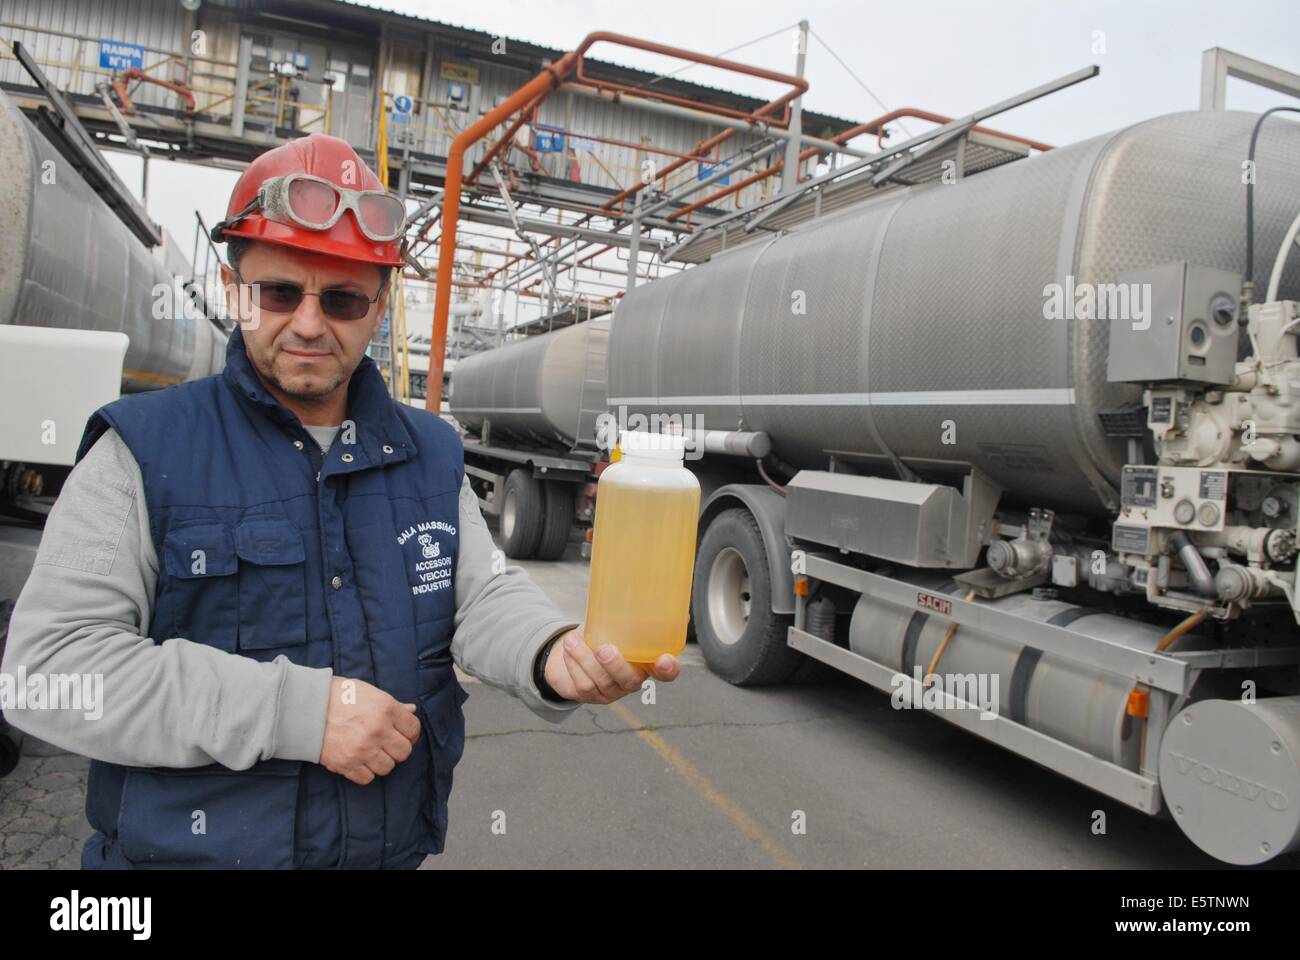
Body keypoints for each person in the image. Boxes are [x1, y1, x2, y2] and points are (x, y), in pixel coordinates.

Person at [1, 133, 680, 869]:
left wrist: (552, 653)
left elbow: (478, 597)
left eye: (345, 298)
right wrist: (298, 714)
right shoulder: (143, 451)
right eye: (279, 292)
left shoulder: (430, 452)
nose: (310, 323)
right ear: (234, 292)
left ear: (380, 307)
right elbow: (49, 672)